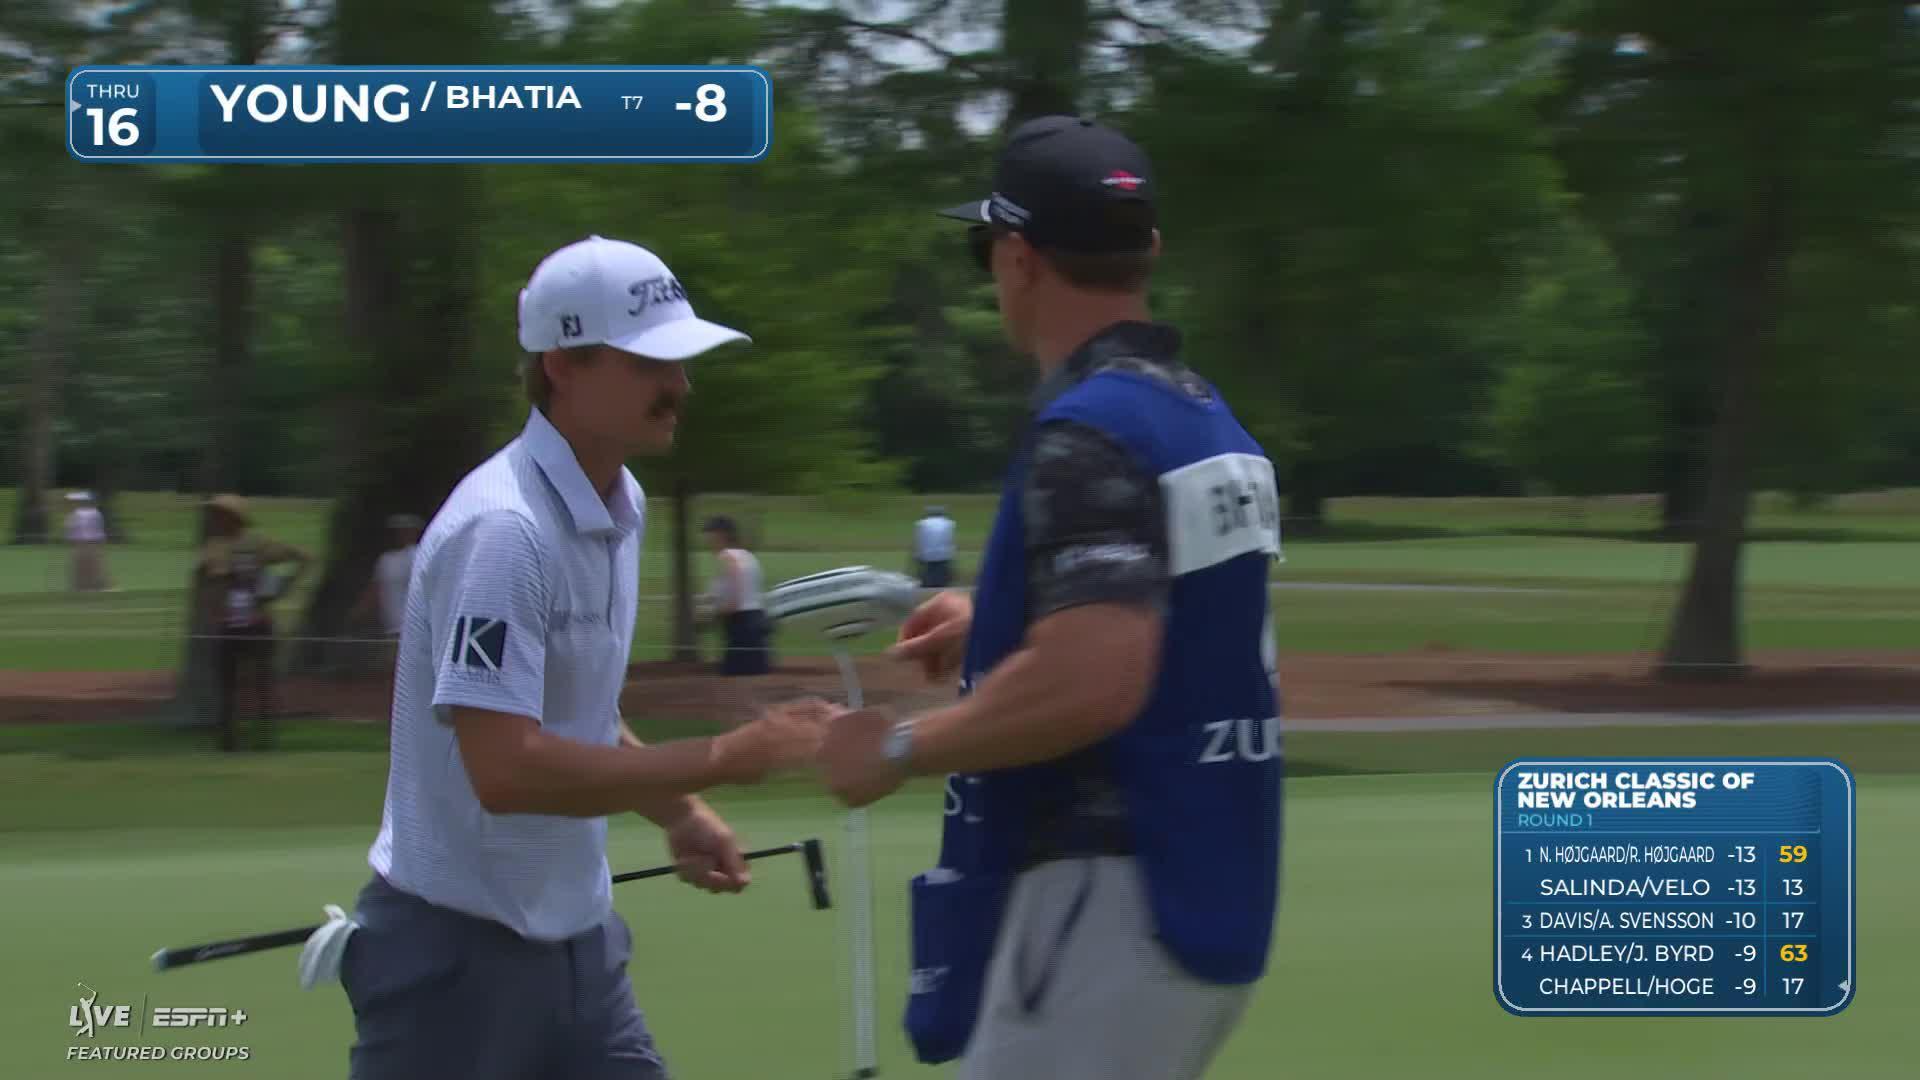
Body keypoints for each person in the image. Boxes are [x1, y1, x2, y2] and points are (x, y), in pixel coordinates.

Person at [817, 116, 1285, 1079]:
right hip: (1206, 881)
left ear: (1017, 256)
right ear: (1148, 249)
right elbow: (1182, 630)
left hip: (1104, 902)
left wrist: (895, 747)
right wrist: (998, 623)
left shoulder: (1091, 430)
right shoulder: (1203, 415)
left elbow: (1093, 681)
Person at [337, 235, 831, 1080]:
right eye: (650, 364)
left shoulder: (620, 503)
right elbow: (506, 770)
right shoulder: (505, 530)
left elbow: (581, 711)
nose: (679, 386)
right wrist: (723, 758)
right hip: (454, 963)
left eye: (680, 362)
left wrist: (678, 811)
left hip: (581, 947)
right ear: (562, 365)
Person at [195, 493, 313, 752]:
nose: (216, 519)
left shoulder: (256, 544)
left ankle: (264, 736)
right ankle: (229, 739)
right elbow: (211, 583)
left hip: (256, 623)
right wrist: (213, 611)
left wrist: (282, 587)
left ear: (234, 517)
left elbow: (302, 556)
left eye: (220, 514)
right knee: (228, 685)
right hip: (229, 625)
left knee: (262, 681)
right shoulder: (214, 546)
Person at [698, 514, 772, 676]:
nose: (708, 542)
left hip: (741, 623)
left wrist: (714, 613)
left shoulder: (727, 556)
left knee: (733, 676)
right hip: (757, 619)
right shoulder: (748, 556)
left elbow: (734, 593)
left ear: (720, 535)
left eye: (710, 536)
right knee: (755, 674)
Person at [62, 490, 111, 592]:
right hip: (91, 544)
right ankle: (95, 587)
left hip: (82, 544)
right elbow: (100, 532)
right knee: (94, 567)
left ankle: (84, 588)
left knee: (83, 568)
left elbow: (70, 532)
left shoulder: (75, 515)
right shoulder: (96, 513)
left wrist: (70, 539)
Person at [909, 504, 956, 588]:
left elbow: (918, 541)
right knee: (942, 579)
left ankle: (927, 584)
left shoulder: (921, 524)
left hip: (926, 556)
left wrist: (915, 557)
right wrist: (952, 557)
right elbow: (950, 541)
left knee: (927, 577)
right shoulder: (949, 523)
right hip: (943, 556)